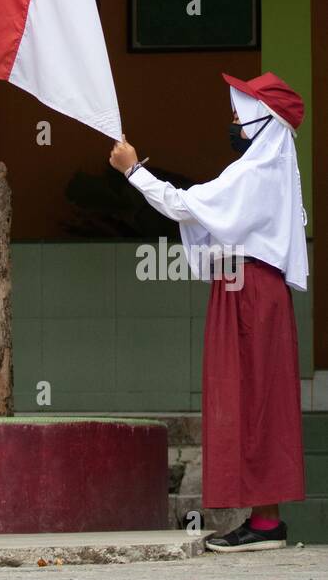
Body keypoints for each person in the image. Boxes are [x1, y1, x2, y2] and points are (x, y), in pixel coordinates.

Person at [111, 71, 307, 552]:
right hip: (250, 290)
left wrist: (134, 170)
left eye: (240, 116)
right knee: (257, 399)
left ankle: (264, 524)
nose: (234, 124)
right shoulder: (267, 172)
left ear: (262, 122)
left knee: (250, 398)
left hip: (248, 294)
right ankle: (265, 520)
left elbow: (183, 206)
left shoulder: (255, 174)